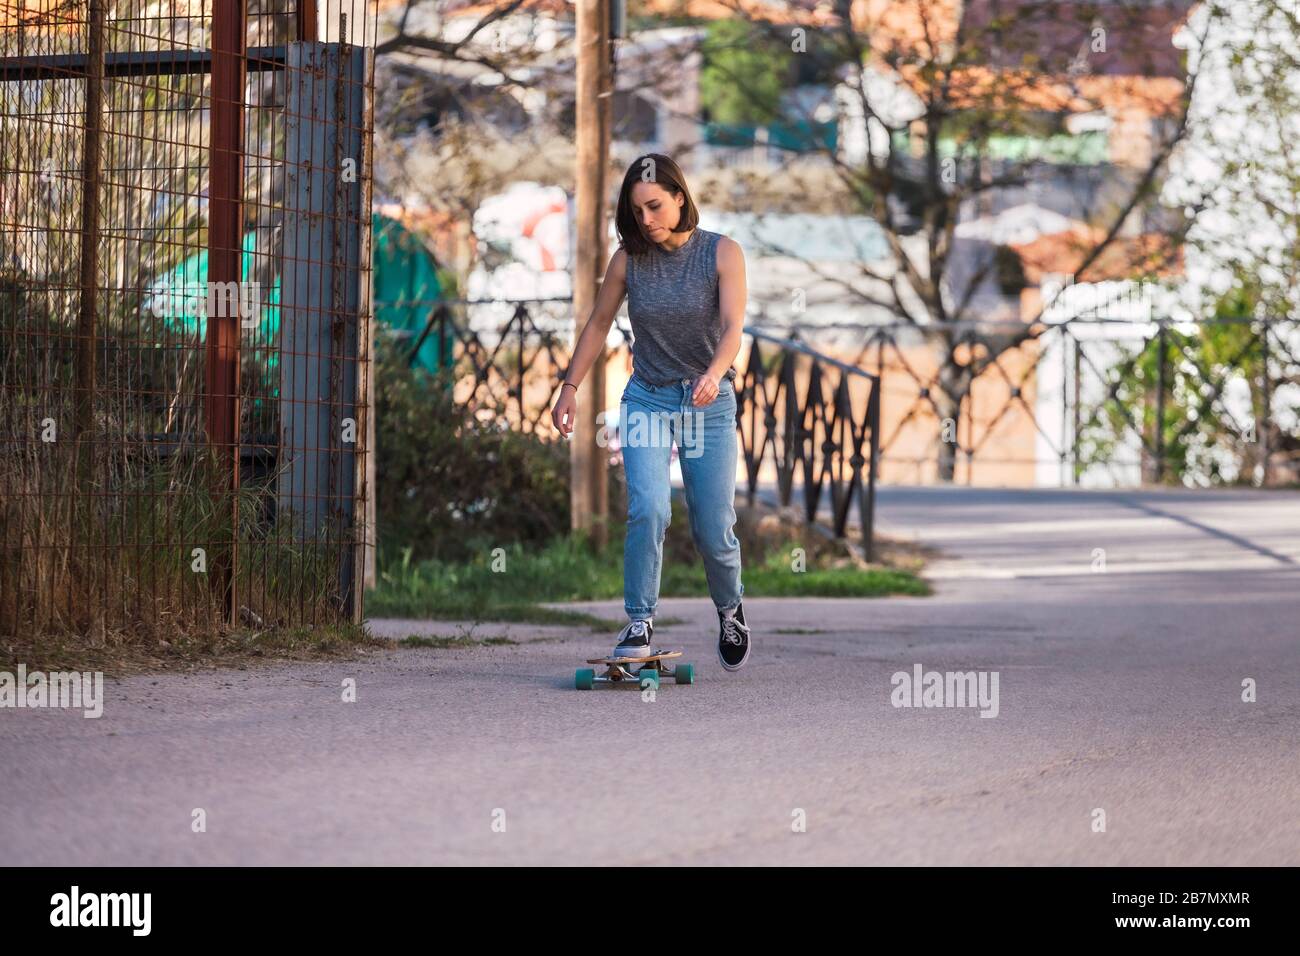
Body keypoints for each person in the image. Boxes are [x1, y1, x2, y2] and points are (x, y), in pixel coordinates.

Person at [551, 153, 751, 671]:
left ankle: (730, 608)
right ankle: (639, 618)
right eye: (637, 211)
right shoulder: (629, 260)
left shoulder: (723, 254)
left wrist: (713, 373)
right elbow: (597, 325)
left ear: (681, 197)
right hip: (647, 399)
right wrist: (569, 385)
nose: (647, 220)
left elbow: (733, 328)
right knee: (649, 509)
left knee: (712, 528)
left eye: (655, 206)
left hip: (707, 404)